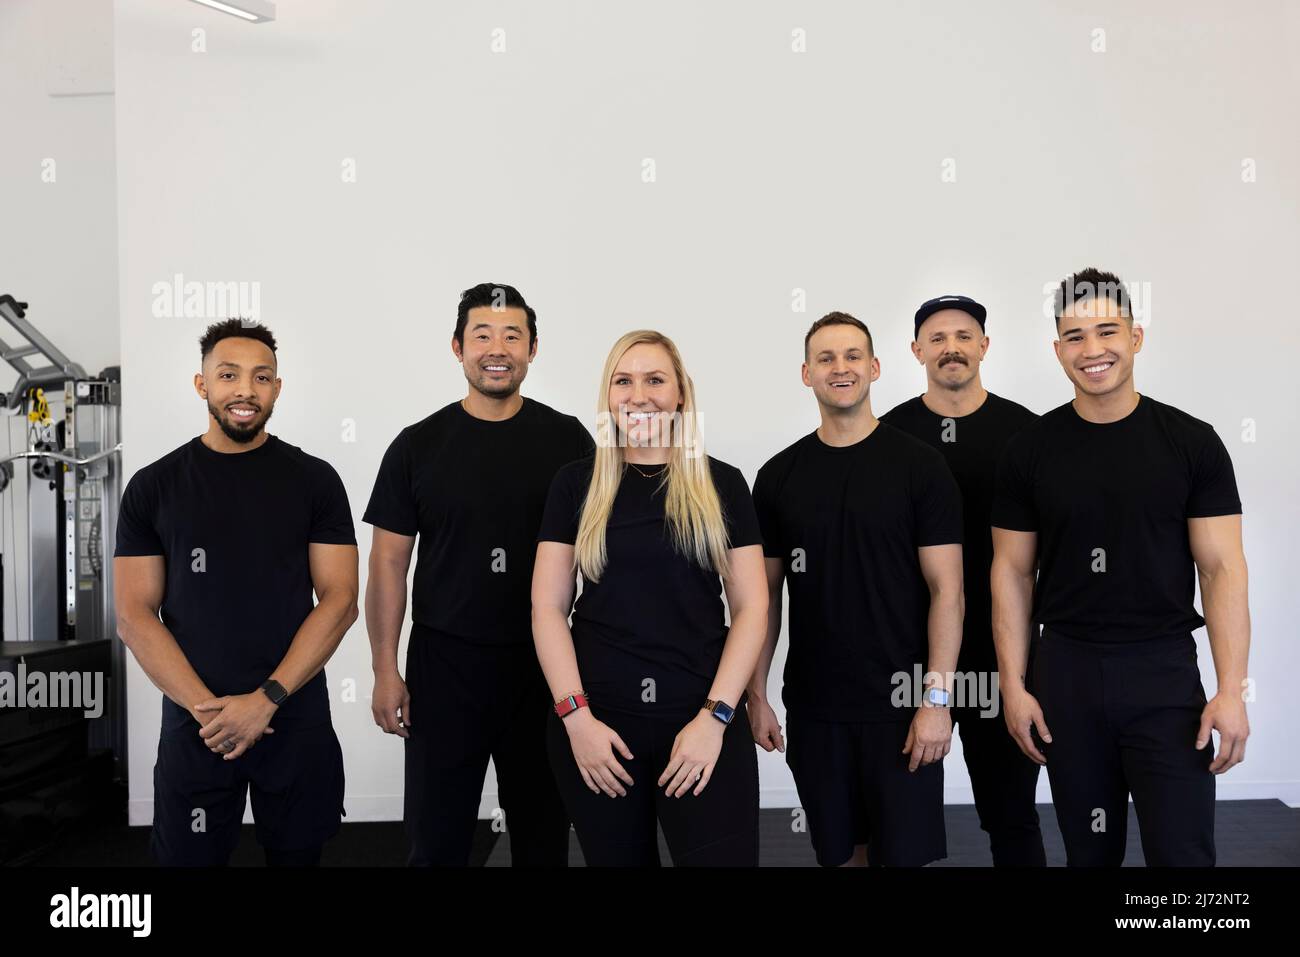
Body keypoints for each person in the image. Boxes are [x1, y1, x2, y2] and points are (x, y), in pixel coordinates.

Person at [991, 267, 1250, 866]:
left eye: (1108, 331)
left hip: (1162, 673)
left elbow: (1222, 571)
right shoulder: (1029, 451)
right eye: (1075, 337)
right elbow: (1009, 572)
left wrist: (1231, 689)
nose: (1093, 350)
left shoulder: (1192, 442)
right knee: (1089, 853)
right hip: (1067, 673)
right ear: (1057, 350)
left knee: (1183, 855)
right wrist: (1012, 684)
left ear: (1136, 337)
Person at [363, 283, 593, 866]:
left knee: (542, 835)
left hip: (542, 665)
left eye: (512, 335)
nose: (498, 348)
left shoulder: (569, 441)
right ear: (457, 347)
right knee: (437, 840)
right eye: (482, 335)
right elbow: (389, 563)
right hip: (445, 668)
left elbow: (604, 552)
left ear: (533, 348)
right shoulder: (417, 446)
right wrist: (385, 670)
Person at [115, 319, 359, 867]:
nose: (245, 390)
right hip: (194, 718)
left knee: (297, 858)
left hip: (292, 714)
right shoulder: (154, 487)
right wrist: (212, 714)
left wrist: (266, 699)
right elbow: (134, 614)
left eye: (261, 377)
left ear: (277, 388)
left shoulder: (315, 480)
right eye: (228, 375)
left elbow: (340, 600)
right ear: (202, 386)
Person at [532, 330, 768, 866]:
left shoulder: (722, 484)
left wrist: (716, 718)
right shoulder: (576, 484)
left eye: (655, 379)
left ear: (681, 392)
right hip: (601, 728)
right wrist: (577, 720)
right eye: (624, 380)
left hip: (704, 718)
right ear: (608, 394)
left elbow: (752, 608)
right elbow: (546, 609)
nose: (639, 394)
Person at [750, 311, 964, 867]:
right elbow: (762, 603)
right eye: (826, 358)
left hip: (903, 700)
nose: (839, 368)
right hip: (818, 705)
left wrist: (937, 700)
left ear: (873, 367)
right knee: (840, 855)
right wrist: (755, 695)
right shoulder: (777, 477)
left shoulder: (922, 467)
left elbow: (949, 592)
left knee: (902, 858)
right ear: (806, 373)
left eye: (851, 357)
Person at [880, 295, 1046, 866]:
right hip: (909, 651)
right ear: (917, 350)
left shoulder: (1026, 434)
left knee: (1012, 813)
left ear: (984, 346)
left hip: (1003, 651)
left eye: (964, 335)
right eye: (938, 337)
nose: (951, 347)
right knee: (895, 815)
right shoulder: (888, 434)